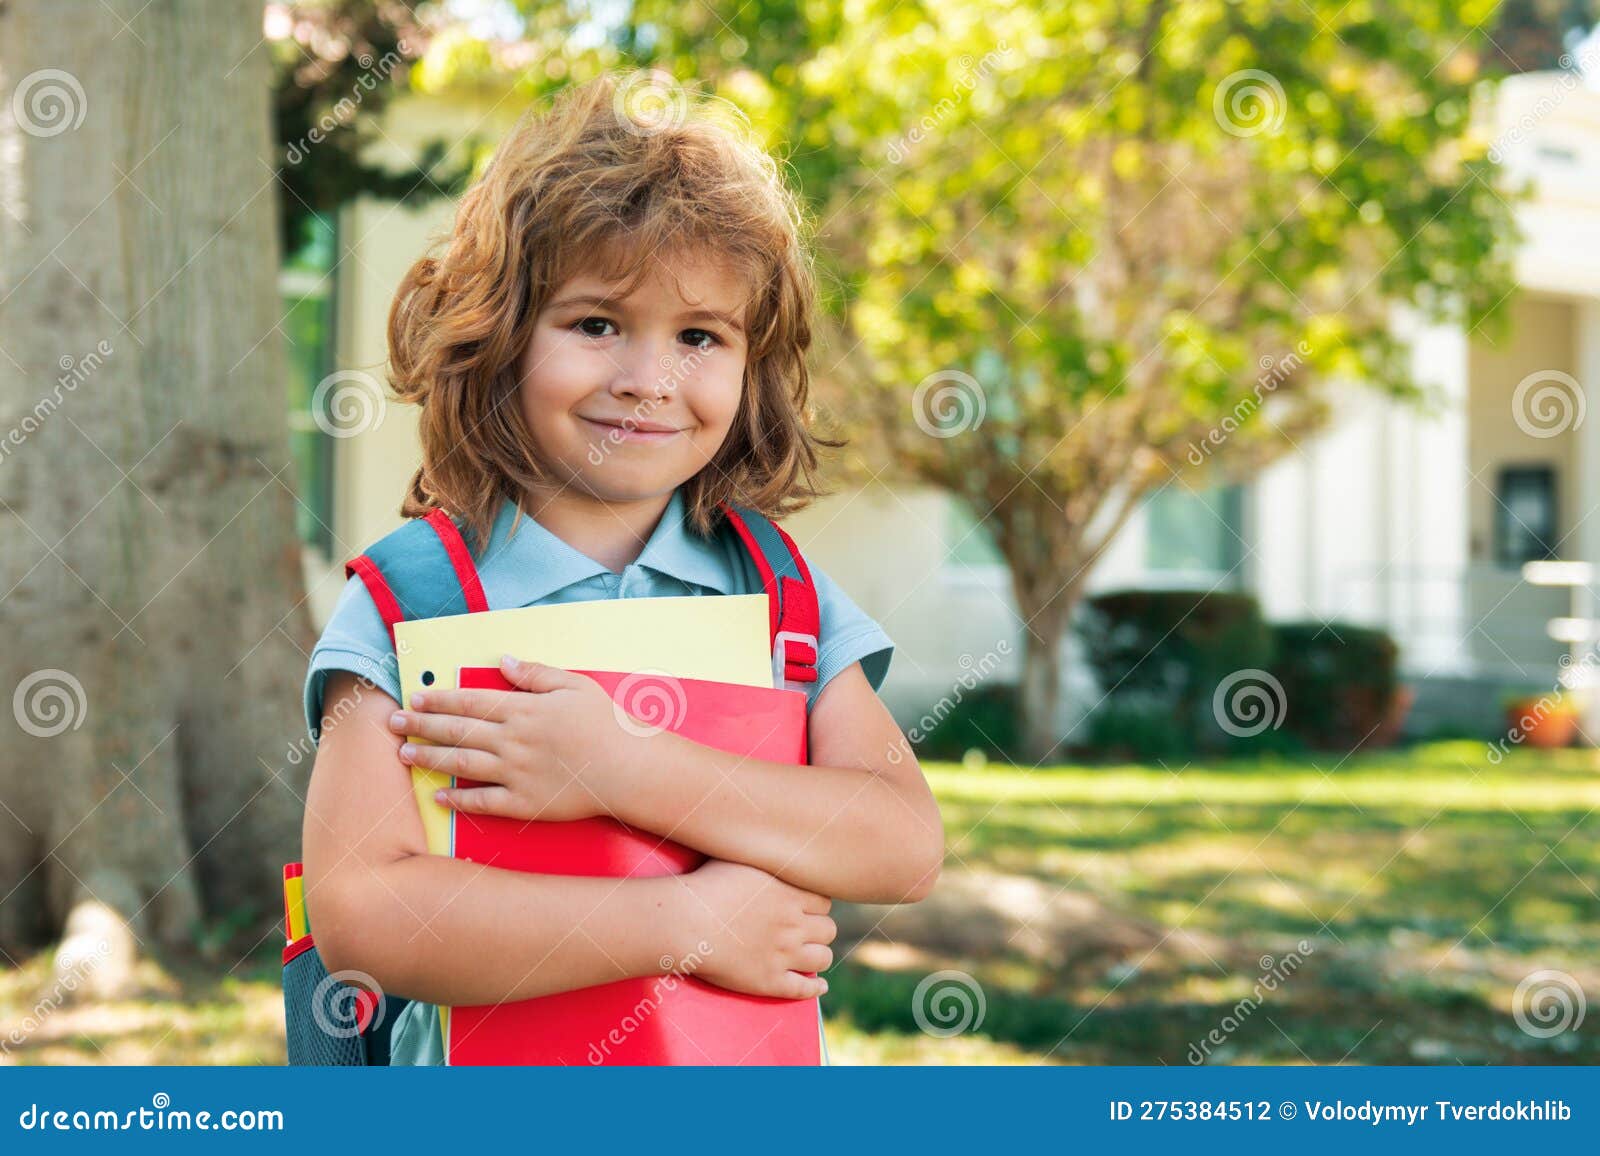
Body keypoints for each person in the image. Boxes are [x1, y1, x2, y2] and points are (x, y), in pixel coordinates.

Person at [299, 73, 944, 1065]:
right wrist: (686, 921)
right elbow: (364, 915)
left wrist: (617, 765)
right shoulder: (409, 601)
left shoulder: (779, 595)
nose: (649, 380)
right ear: (499, 333)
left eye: (699, 336)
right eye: (597, 323)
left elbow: (898, 843)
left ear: (750, 365)